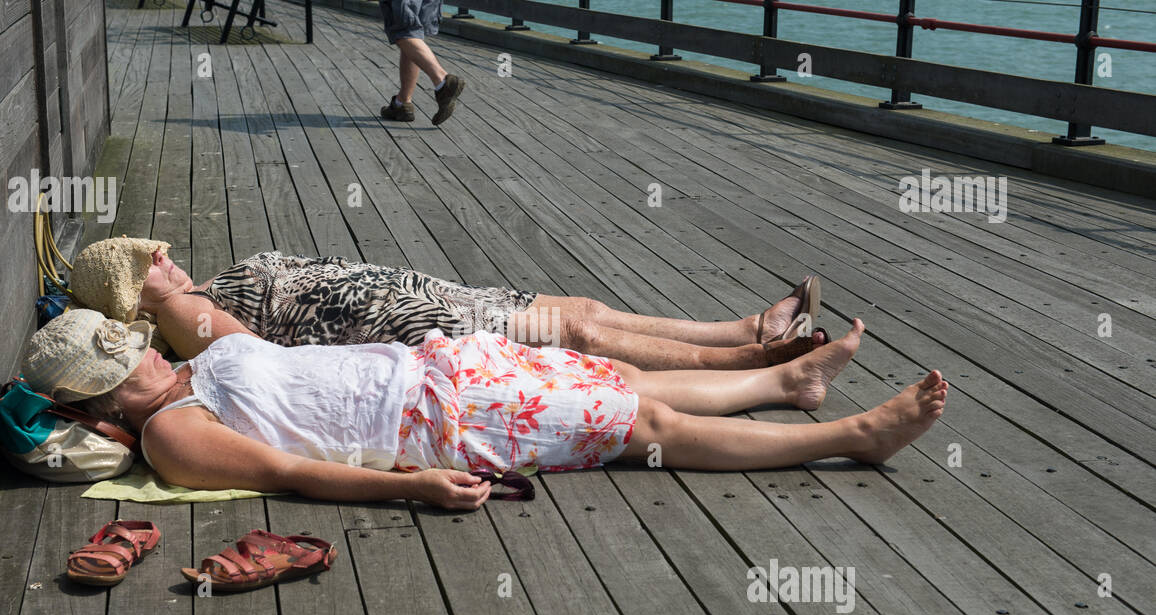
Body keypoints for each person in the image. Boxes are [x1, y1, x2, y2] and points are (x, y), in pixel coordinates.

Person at [22, 310, 947, 511]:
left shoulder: (185, 369)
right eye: (121, 358)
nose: (138, 345)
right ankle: (852, 438)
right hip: (437, 421)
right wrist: (413, 487)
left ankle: (785, 385)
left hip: (440, 366)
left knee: (623, 383)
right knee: (641, 428)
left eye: (127, 334)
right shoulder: (173, 434)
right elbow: (291, 472)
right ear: (102, 401)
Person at [68, 237, 828, 372]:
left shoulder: (200, 291)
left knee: (584, 307)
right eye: (150, 263)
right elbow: (255, 357)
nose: (163, 255)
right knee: (581, 334)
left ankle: (743, 327)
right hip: (414, 323)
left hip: (427, 295)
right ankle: (749, 355)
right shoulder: (182, 319)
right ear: (139, 296)